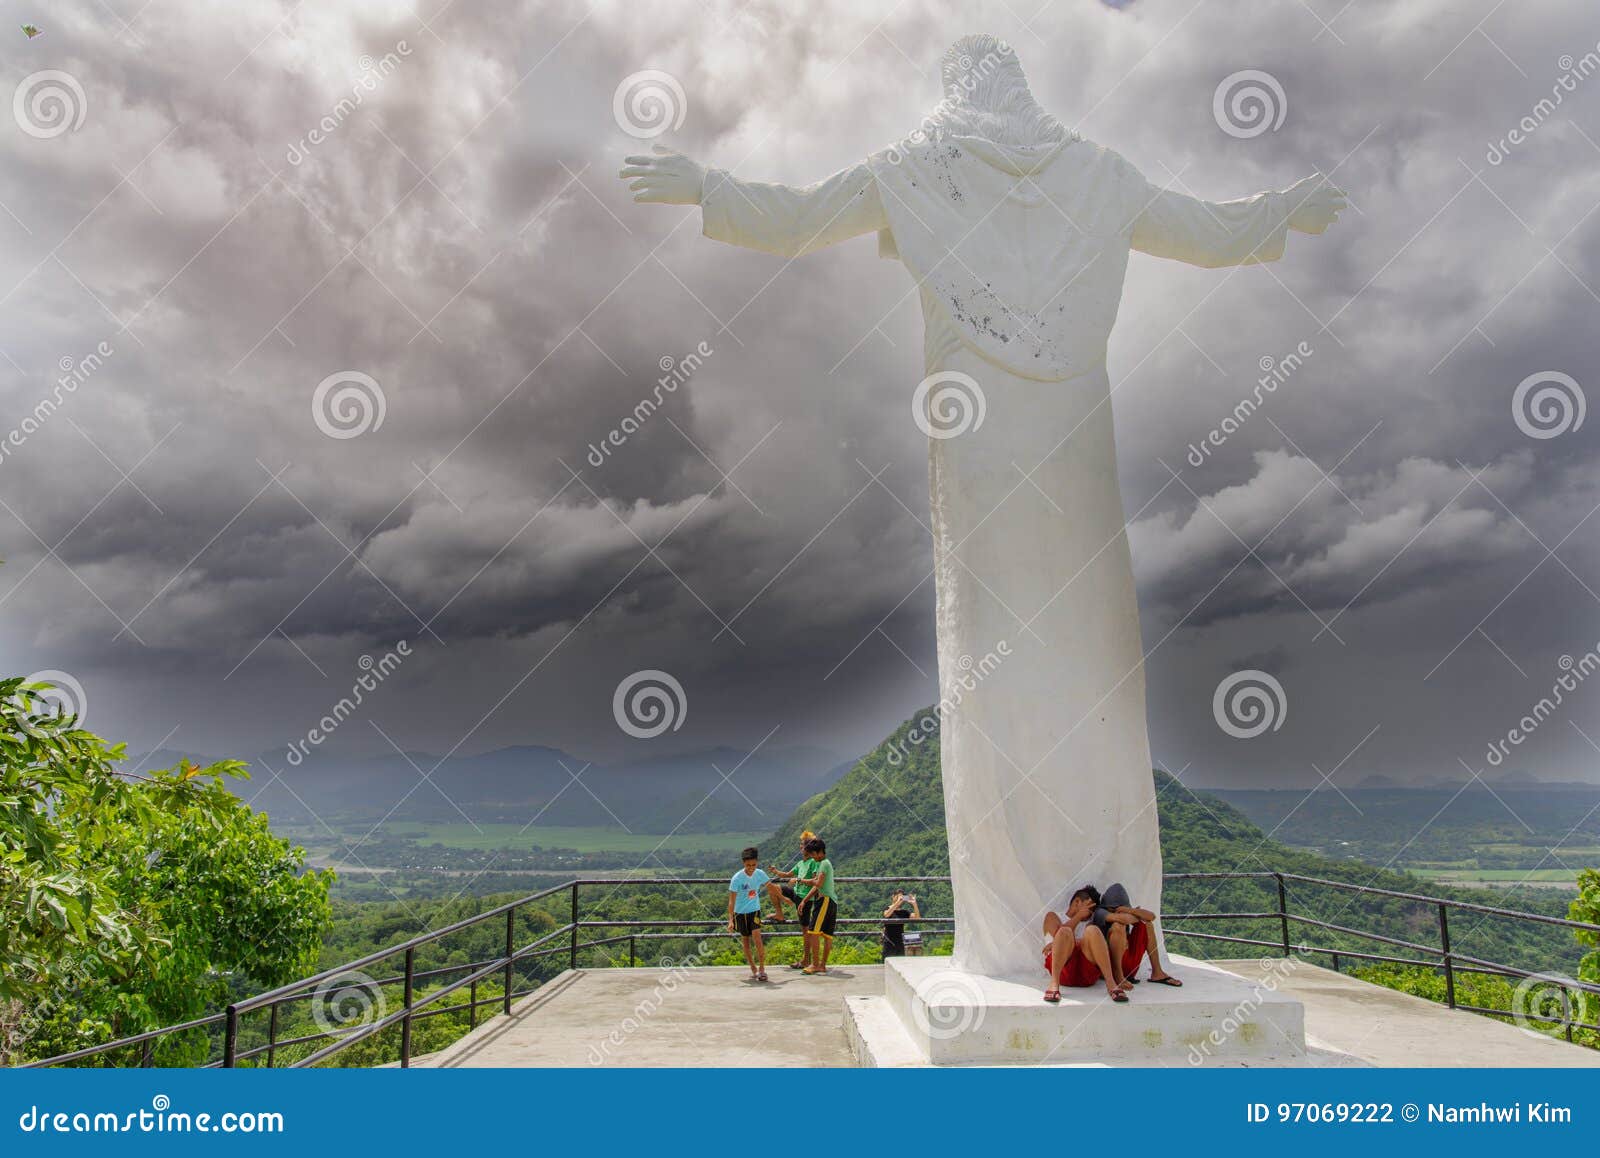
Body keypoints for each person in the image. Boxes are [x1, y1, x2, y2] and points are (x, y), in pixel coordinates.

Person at [1041, 886, 1134, 1003]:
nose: (1091, 914)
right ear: (1077, 902)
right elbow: (1058, 940)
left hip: (1086, 973)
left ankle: (1111, 982)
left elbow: (1093, 943)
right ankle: (1054, 984)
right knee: (1065, 931)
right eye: (1089, 909)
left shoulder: (1089, 923)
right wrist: (1078, 916)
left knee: (1093, 930)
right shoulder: (1053, 916)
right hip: (1062, 969)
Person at [1093, 881, 1181, 988]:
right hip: (1110, 964)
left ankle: (1157, 972)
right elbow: (1123, 919)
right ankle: (1118, 976)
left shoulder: (1128, 911)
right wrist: (1137, 914)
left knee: (1147, 925)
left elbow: (1151, 917)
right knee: (1118, 926)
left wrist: (1130, 910)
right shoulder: (1100, 912)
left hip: (1128, 959)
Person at [795, 837, 838, 975]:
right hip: (830, 901)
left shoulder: (824, 864)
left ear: (820, 852)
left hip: (824, 901)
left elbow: (817, 884)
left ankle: (814, 964)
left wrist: (800, 880)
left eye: (813, 854)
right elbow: (817, 885)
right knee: (826, 935)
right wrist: (805, 900)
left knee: (813, 932)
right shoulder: (823, 863)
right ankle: (822, 966)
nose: (812, 857)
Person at [726, 846, 770, 982]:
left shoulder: (760, 874)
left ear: (757, 862)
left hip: (754, 911)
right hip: (740, 913)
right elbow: (731, 901)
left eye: (754, 865)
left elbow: (771, 887)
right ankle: (753, 969)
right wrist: (731, 920)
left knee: (757, 939)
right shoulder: (737, 878)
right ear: (743, 863)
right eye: (748, 865)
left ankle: (762, 969)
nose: (751, 867)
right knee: (745, 942)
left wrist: (784, 898)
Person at [764, 830, 815, 926]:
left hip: (804, 898)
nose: (801, 847)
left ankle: (808, 941)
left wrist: (798, 880)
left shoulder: (813, 862)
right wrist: (775, 871)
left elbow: (815, 882)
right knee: (773, 888)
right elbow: (787, 874)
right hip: (796, 893)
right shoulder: (800, 863)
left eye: (803, 845)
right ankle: (779, 914)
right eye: (801, 844)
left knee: (805, 928)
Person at [880, 887, 921, 959]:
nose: (900, 899)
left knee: (900, 963)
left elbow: (917, 918)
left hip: (900, 942)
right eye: (898, 896)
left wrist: (914, 904)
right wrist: (897, 903)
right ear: (893, 896)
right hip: (888, 942)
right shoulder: (886, 908)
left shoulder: (904, 912)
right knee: (886, 963)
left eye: (902, 897)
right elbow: (887, 915)